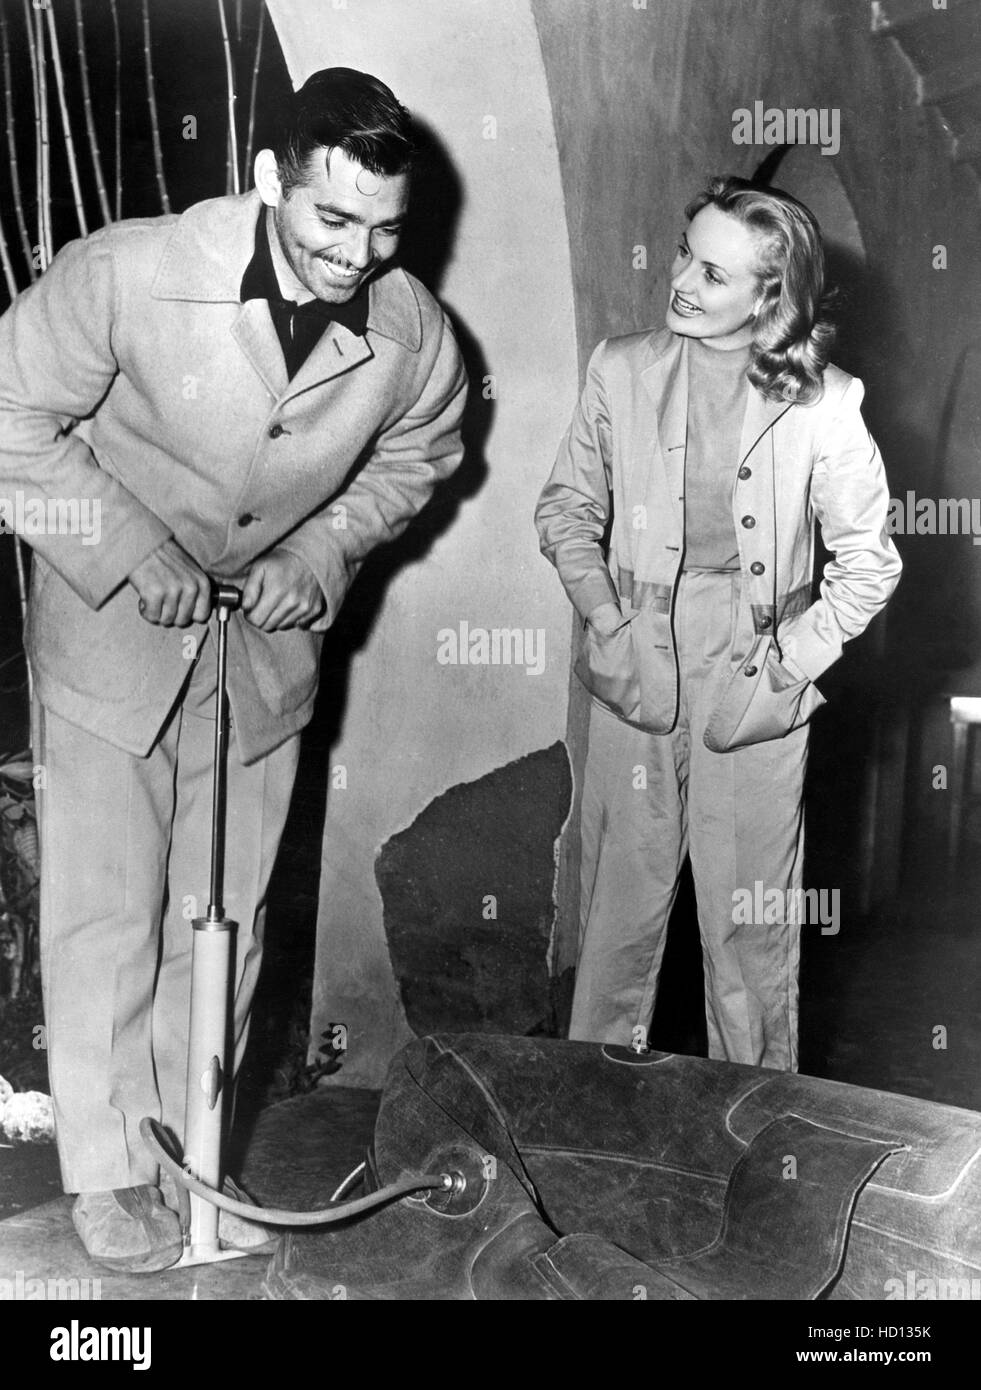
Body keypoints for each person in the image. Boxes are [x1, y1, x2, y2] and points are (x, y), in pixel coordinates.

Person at [0, 67, 467, 1272]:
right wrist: (120, 542)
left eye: (384, 229)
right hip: (111, 642)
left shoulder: (412, 333)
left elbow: (421, 455)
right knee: (109, 916)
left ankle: (188, 1155)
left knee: (228, 923)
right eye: (330, 219)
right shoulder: (125, 272)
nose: (355, 256)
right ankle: (106, 1173)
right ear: (267, 179)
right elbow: (8, 414)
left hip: (262, 661)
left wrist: (326, 544)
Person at [535, 176, 901, 1073]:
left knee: (747, 931)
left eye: (713, 273)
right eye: (682, 254)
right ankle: (595, 1122)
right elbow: (564, 510)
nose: (682, 283)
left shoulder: (823, 402)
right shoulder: (618, 368)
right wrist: (606, 618)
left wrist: (790, 666)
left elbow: (869, 565)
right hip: (636, 660)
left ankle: (755, 1135)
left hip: (754, 669)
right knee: (614, 921)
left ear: (770, 296)